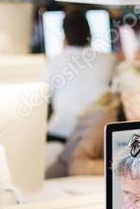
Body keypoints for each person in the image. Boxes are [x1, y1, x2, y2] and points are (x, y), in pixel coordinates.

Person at [46, 62, 140, 178]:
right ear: (127, 99)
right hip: (58, 185)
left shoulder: (134, 121)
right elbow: (76, 166)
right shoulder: (103, 118)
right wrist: (124, 167)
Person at [45, 9, 118, 141]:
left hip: (62, 132)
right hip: (97, 133)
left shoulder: (55, 60)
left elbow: (45, 94)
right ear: (89, 33)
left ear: (65, 36)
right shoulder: (108, 60)